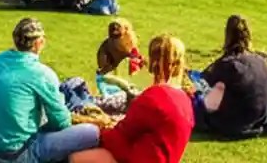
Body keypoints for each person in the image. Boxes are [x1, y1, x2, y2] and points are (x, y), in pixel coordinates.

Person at [0, 18, 100, 163]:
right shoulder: (40, 73)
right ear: (39, 42)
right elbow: (61, 122)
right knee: (92, 132)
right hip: (15, 154)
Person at [72, 34, 194, 163]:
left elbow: (119, 137)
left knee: (76, 156)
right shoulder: (184, 100)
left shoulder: (153, 97)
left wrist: (101, 129)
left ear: (152, 62)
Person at [194, 15, 267, 139]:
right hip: (259, 121)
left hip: (232, 125)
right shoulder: (261, 61)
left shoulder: (227, 64)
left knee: (197, 100)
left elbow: (208, 95)